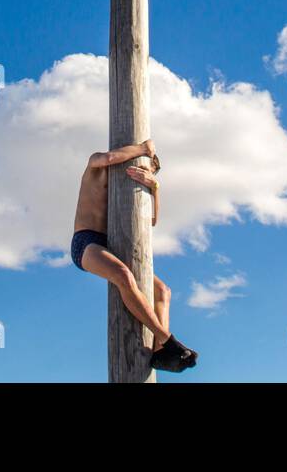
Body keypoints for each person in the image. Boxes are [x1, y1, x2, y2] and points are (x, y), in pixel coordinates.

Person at [70, 139, 197, 373]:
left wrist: (154, 188)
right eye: (144, 169)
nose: (142, 175)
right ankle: (168, 341)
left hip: (112, 244)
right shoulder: (96, 163)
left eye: (149, 173)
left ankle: (160, 351)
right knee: (123, 276)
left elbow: (151, 221)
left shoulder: (134, 183)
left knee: (162, 291)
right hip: (86, 242)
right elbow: (107, 159)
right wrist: (144, 149)